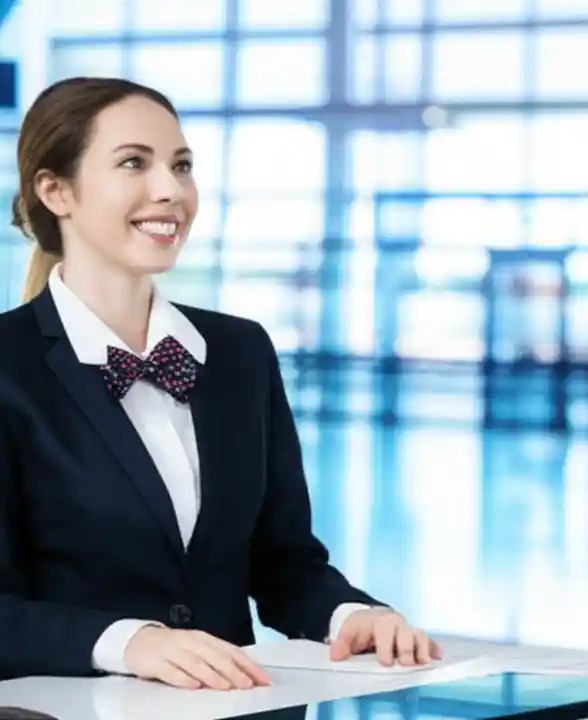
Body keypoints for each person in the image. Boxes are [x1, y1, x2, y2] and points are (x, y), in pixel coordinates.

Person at [0, 77, 441, 689]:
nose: (170, 190)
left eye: (181, 166)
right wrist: (131, 642)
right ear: (56, 190)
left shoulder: (239, 352)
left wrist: (353, 614)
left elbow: (284, 563)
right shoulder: (8, 365)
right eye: (134, 163)